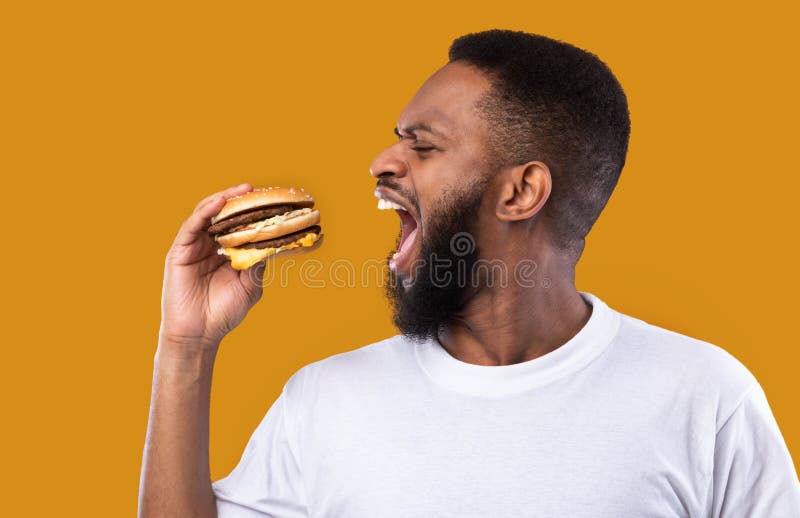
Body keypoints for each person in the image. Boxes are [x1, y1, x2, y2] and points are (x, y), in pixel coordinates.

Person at [138, 30, 800, 517]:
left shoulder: (705, 399)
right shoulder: (325, 402)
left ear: (521, 192)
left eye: (423, 145)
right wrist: (185, 346)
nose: (382, 162)